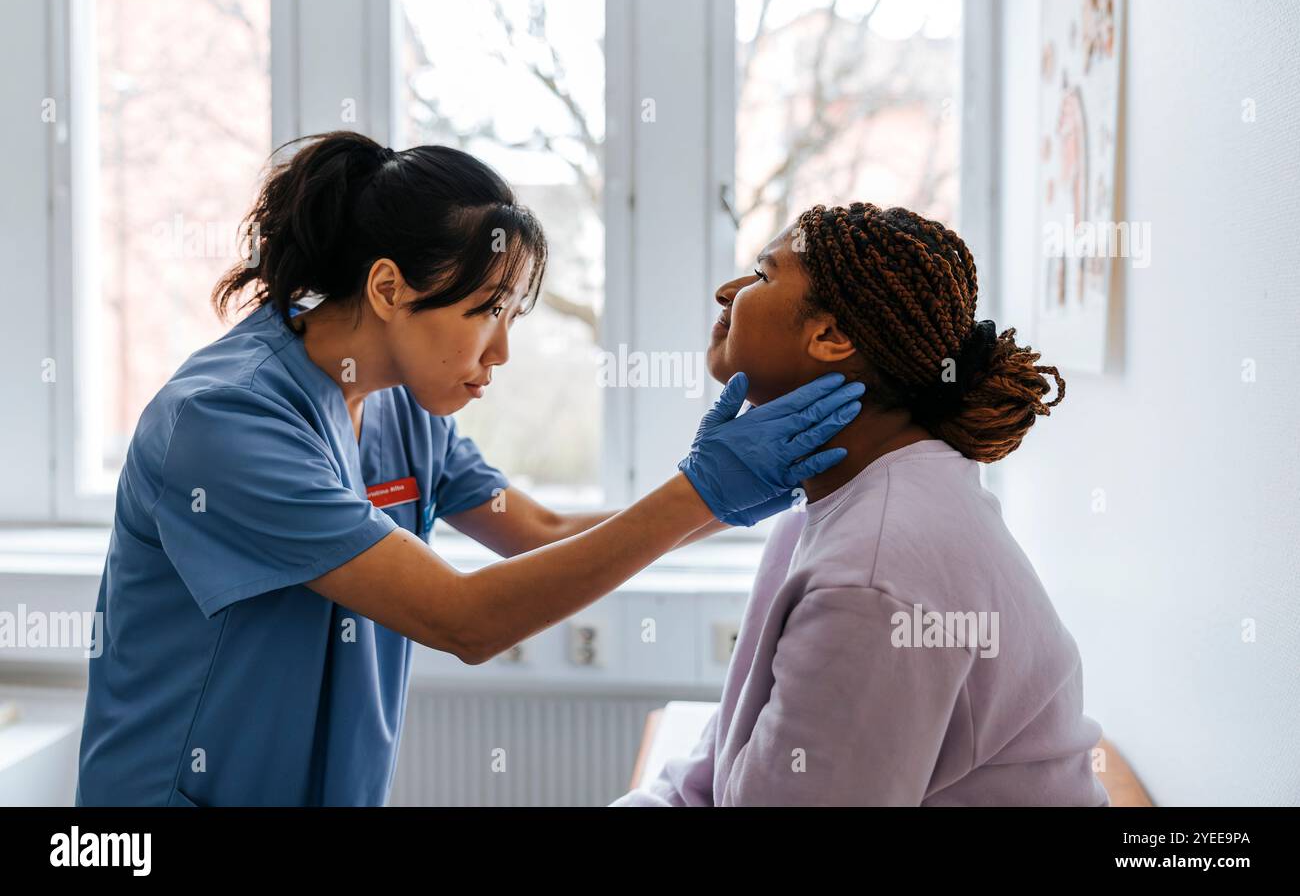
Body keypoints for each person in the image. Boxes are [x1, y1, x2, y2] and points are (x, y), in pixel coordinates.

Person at [75, 132, 865, 806]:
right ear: (388, 287)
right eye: (484, 312)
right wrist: (704, 489)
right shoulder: (224, 422)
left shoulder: (401, 405)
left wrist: (731, 495)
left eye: (510, 317)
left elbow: (541, 534)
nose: (503, 352)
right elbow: (464, 619)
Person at [614, 202, 1108, 806]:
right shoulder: (843, 506)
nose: (727, 292)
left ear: (831, 336)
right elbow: (721, 765)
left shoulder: (872, 576)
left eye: (763, 275)